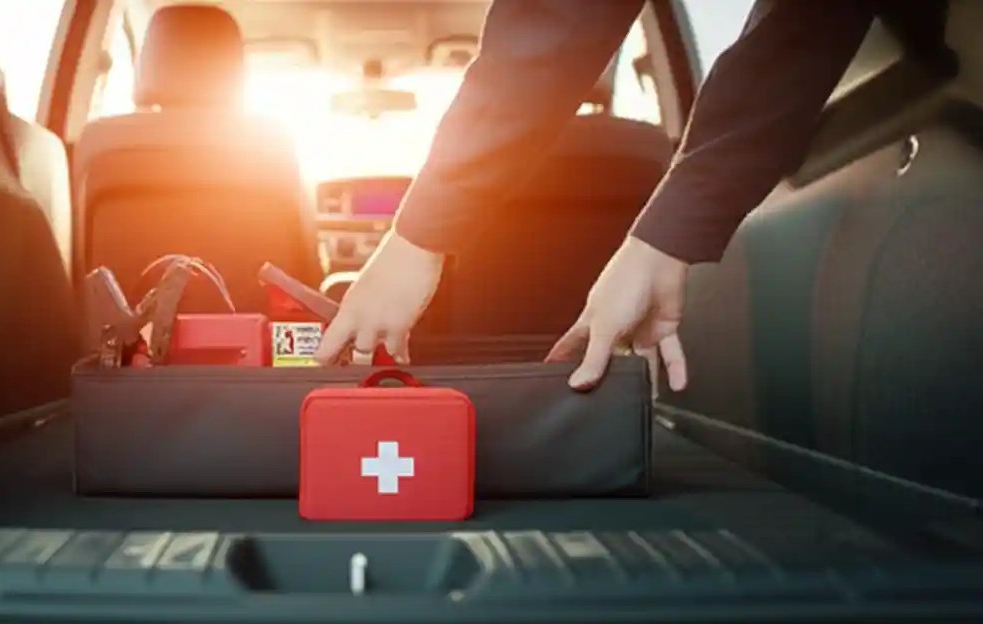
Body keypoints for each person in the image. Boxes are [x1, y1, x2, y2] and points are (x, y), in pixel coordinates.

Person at [314, 0, 878, 392]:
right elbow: (808, 28)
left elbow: (560, 19)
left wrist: (416, 237)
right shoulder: (637, 158)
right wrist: (666, 233)